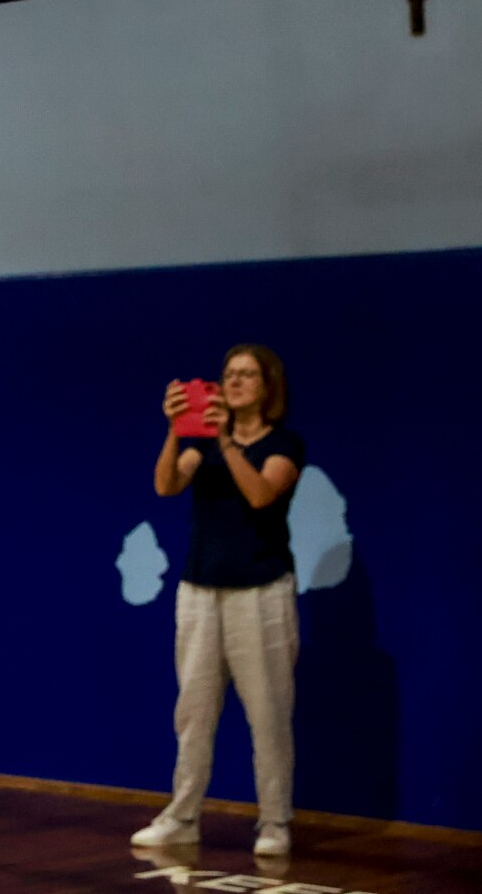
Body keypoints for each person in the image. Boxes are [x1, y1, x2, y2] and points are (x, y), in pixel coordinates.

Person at [132, 345, 304, 857]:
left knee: (268, 713)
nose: (234, 381)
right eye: (229, 373)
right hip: (200, 592)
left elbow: (261, 494)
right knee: (194, 711)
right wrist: (175, 429)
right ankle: (182, 815)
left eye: (247, 375)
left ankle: (274, 822)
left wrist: (227, 443)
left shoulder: (284, 443)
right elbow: (166, 485)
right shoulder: (202, 444)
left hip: (261, 593)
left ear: (267, 387)